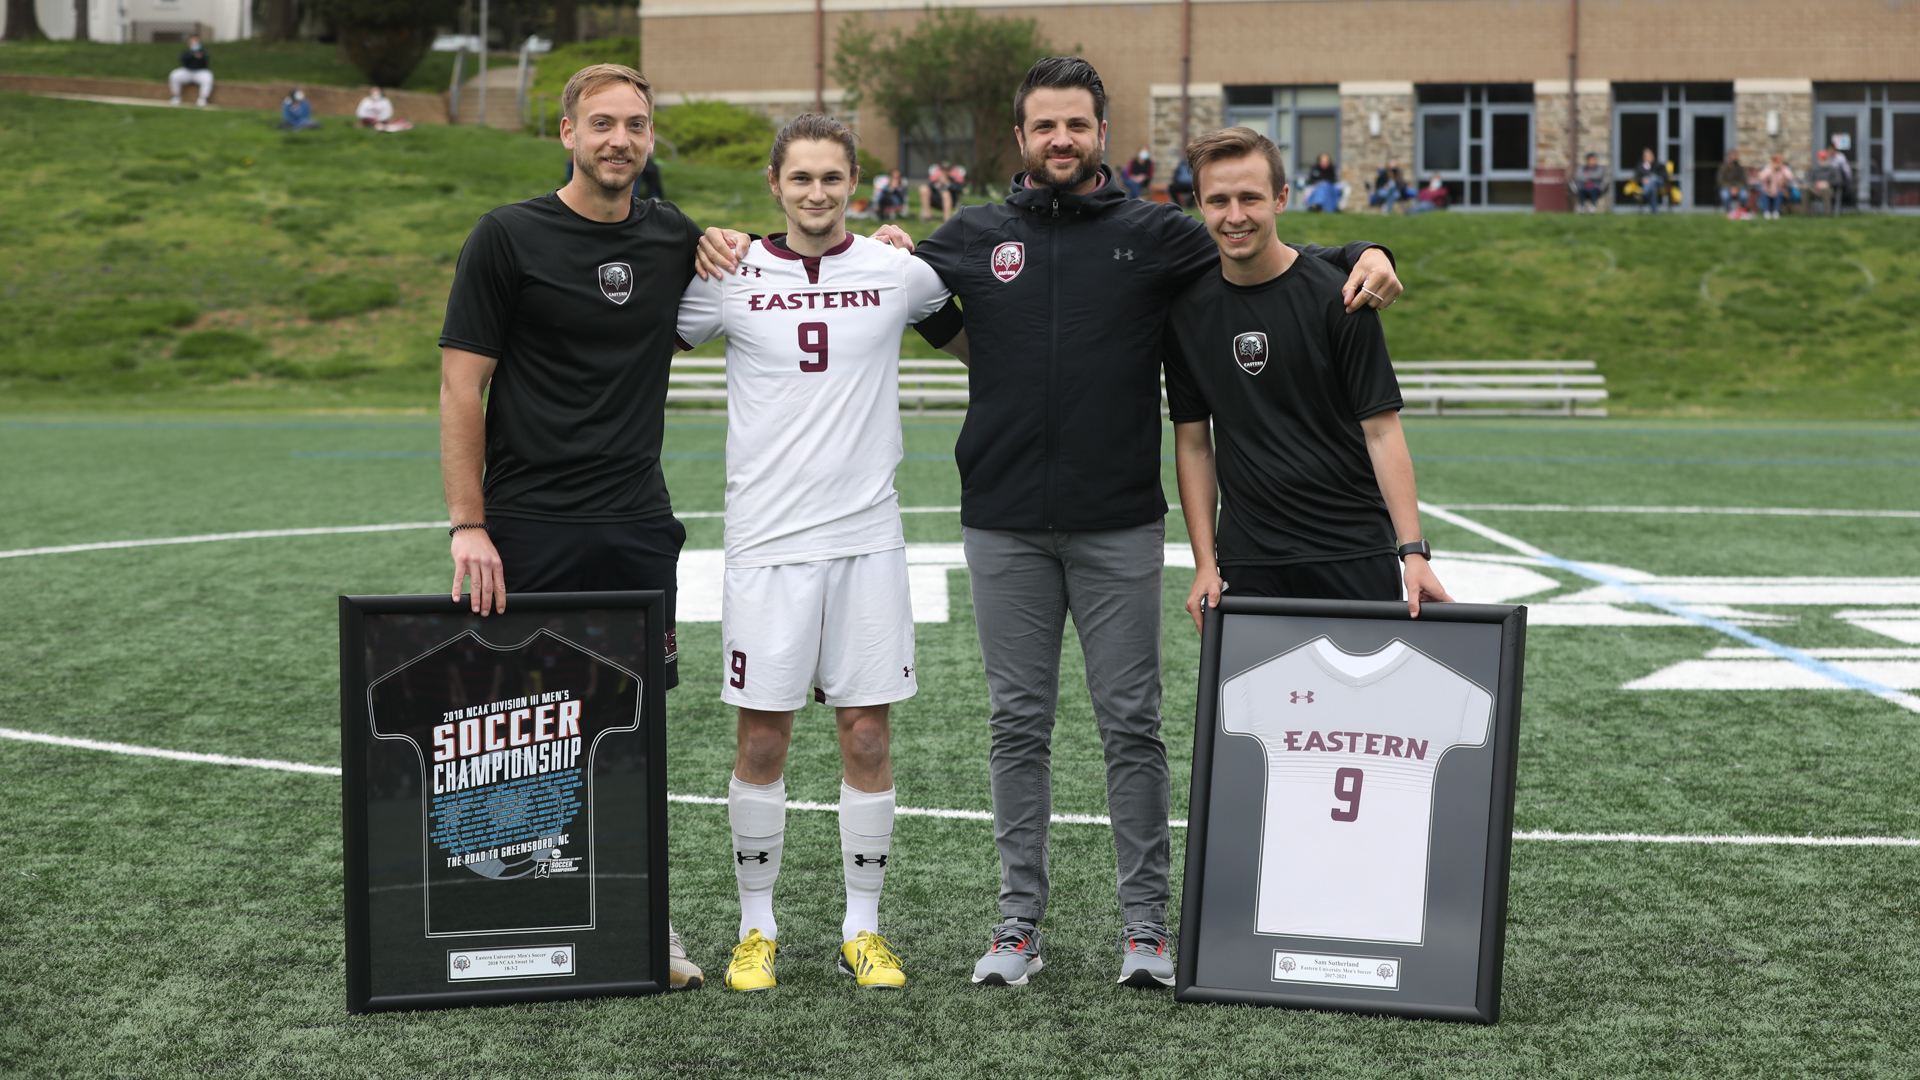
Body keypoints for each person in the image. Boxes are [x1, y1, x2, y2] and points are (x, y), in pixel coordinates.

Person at [820, 56, 1400, 990]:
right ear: (1020, 138)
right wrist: (874, 241)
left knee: (1132, 725)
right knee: (1018, 726)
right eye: (1044, 126)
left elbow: (1267, 252)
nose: (1061, 141)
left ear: (1101, 133)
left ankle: (1145, 932)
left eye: (1077, 126)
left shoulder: (1159, 234)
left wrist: (1373, 253)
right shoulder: (971, 236)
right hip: (1003, 523)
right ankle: (1017, 929)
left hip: (1119, 524)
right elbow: (877, 281)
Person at [438, 62, 749, 994]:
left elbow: (783, 263)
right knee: (521, 725)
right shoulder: (507, 237)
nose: (621, 140)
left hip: (636, 529)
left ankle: (640, 920)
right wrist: (469, 525)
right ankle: (508, 916)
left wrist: (876, 238)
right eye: (602, 123)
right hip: (528, 526)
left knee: (629, 732)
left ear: (652, 139)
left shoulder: (674, 238)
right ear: (565, 133)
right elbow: (463, 386)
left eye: (638, 125)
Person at [676, 113, 969, 994]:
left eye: (832, 179)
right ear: (774, 182)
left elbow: (987, 346)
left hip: (868, 542)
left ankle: (862, 929)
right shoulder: (729, 274)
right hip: (766, 546)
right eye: (800, 178)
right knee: (762, 740)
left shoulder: (896, 269)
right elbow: (626, 352)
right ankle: (756, 928)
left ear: (857, 183)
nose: (816, 194)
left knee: (868, 735)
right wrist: (696, 248)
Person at [1165, 126, 1451, 643]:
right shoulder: (1186, 313)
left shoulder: (1341, 297)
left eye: (1250, 197)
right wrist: (1205, 563)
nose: (1235, 216)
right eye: (1218, 200)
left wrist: (1412, 552)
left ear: (1280, 199)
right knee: (1260, 722)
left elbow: (1383, 432)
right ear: (1198, 205)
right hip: (1248, 562)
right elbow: (1193, 445)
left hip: (1353, 553)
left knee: (1362, 720)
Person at [167, 36, 213, 107]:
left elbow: (203, 58)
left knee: (208, 77)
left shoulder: (204, 51)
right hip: (187, 71)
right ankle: (176, 97)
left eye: (196, 42)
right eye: (193, 42)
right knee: (174, 75)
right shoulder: (186, 52)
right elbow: (183, 58)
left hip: (200, 71)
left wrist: (196, 56)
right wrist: (194, 55)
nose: (195, 44)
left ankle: (202, 99)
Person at [1756, 154, 1794, 219]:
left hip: (1781, 191)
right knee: (1764, 194)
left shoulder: (1784, 169)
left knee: (1779, 194)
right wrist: (1771, 169)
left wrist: (1782, 168)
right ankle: (1766, 212)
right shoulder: (1769, 168)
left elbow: (1790, 177)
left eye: (1779, 161)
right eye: (1776, 161)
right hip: (1769, 191)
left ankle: (1776, 212)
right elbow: (1761, 177)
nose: (1777, 163)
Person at [1806, 150, 1840, 216]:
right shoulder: (1814, 169)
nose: (1823, 161)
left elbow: (1838, 181)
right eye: (1822, 159)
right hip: (1815, 189)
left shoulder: (1834, 169)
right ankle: (1806, 213)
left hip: (1829, 190)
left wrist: (1827, 183)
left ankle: (1828, 213)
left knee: (1825, 189)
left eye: (1825, 159)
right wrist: (1816, 184)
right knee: (1805, 189)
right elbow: (1808, 180)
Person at [1632, 148, 1667, 213]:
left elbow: (1664, 175)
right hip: (1648, 185)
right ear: (1644, 157)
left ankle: (1642, 194)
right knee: (1652, 188)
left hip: (1659, 183)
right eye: (1647, 156)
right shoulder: (1640, 167)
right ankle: (1654, 212)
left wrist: (1650, 177)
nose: (1649, 158)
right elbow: (1637, 177)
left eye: (1650, 156)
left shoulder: (1659, 165)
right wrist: (1642, 179)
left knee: (1653, 178)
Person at [1716, 149, 1748, 217]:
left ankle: (1741, 211)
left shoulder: (1740, 168)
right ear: (1729, 158)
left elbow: (1743, 181)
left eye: (1735, 157)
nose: (1734, 159)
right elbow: (1721, 180)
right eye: (1732, 157)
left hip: (1738, 188)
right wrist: (1730, 188)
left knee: (1744, 195)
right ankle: (1728, 212)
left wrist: (1737, 188)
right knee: (1725, 196)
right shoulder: (1723, 168)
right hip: (1727, 188)